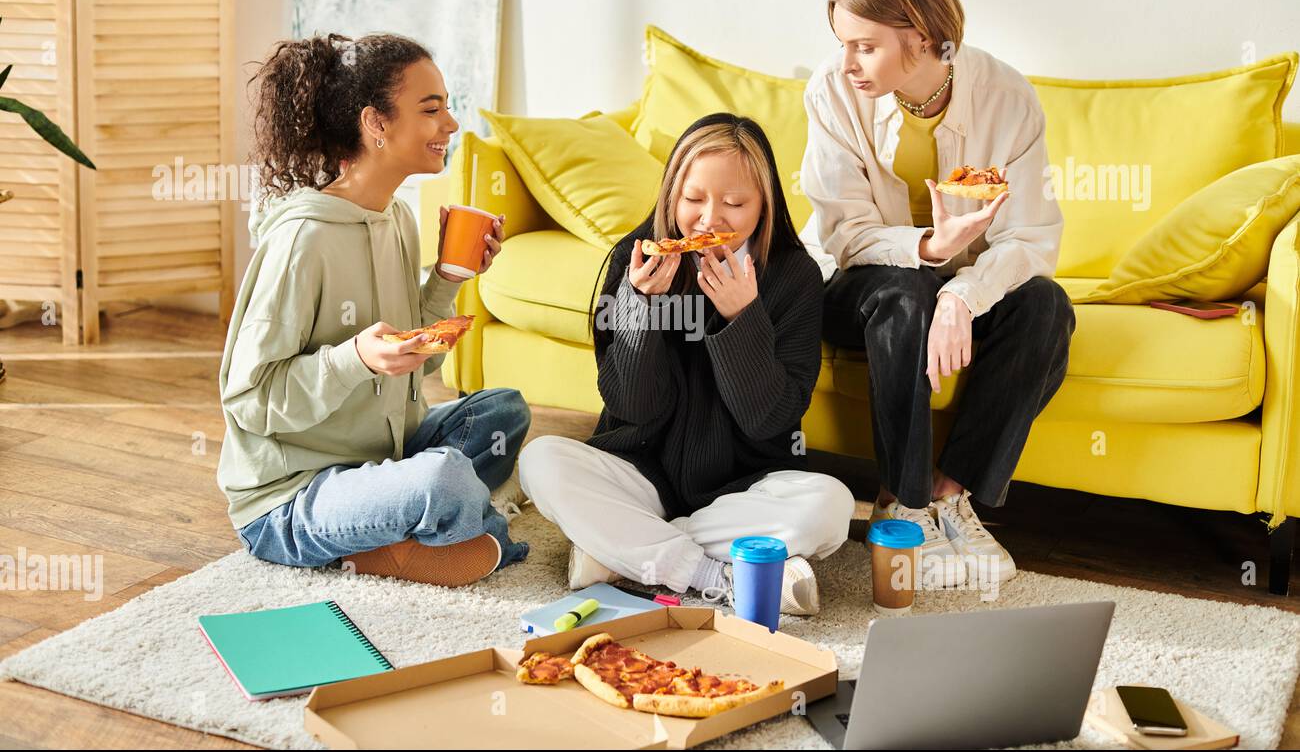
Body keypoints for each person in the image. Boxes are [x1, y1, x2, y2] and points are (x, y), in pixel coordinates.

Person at [800, 0, 1076, 588]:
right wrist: (930, 252)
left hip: (955, 291)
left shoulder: (1007, 98)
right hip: (861, 284)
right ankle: (905, 503)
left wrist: (960, 296)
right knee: (905, 291)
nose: (847, 64)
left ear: (921, 38)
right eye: (842, 44)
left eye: (864, 46)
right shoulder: (831, 93)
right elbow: (846, 233)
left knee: (1046, 307)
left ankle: (952, 494)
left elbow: (1030, 238)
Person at [217, 32, 529, 587]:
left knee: (503, 411)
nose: (450, 126)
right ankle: (464, 536)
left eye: (447, 108)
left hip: (377, 457)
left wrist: (449, 277)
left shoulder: (397, 219)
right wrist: (353, 359)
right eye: (431, 110)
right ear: (376, 123)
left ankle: (403, 531)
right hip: (293, 497)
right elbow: (250, 399)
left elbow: (415, 364)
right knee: (445, 478)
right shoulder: (302, 242)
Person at [520, 113, 854, 616]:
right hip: (641, 472)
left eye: (735, 203)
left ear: (765, 207)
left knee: (832, 505)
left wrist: (742, 319)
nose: (708, 219)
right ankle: (711, 574)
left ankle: (622, 552)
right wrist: (642, 306)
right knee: (539, 459)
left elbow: (769, 419)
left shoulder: (795, 276)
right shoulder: (633, 262)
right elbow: (630, 405)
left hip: (747, 485)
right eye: (693, 199)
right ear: (670, 194)